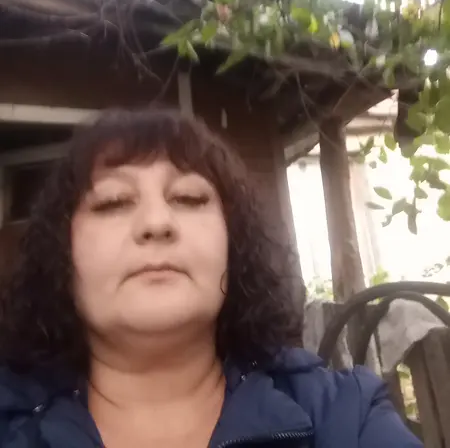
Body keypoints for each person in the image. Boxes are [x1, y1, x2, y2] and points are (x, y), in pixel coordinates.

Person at [0, 107, 422, 448]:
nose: (157, 223)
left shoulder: (345, 416)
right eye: (113, 202)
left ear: (233, 243)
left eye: (188, 198)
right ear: (61, 252)